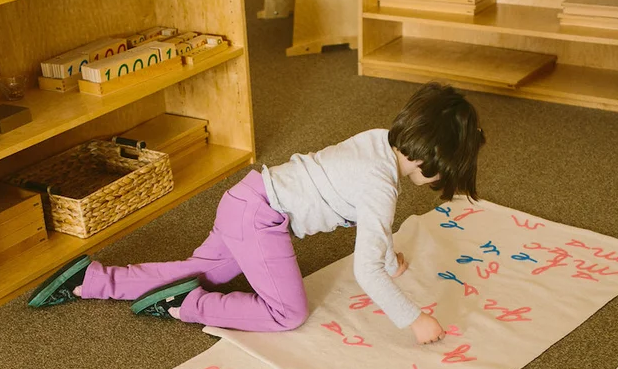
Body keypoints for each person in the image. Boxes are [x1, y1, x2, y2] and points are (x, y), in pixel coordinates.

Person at [29, 82, 485, 344]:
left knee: (199, 269)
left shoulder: (378, 141)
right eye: (444, 176)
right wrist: (413, 318)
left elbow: (373, 233)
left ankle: (89, 280)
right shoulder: (381, 185)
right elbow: (366, 265)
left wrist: (391, 259)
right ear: (431, 161)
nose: (439, 185)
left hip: (244, 199)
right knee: (286, 313)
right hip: (260, 218)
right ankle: (185, 306)